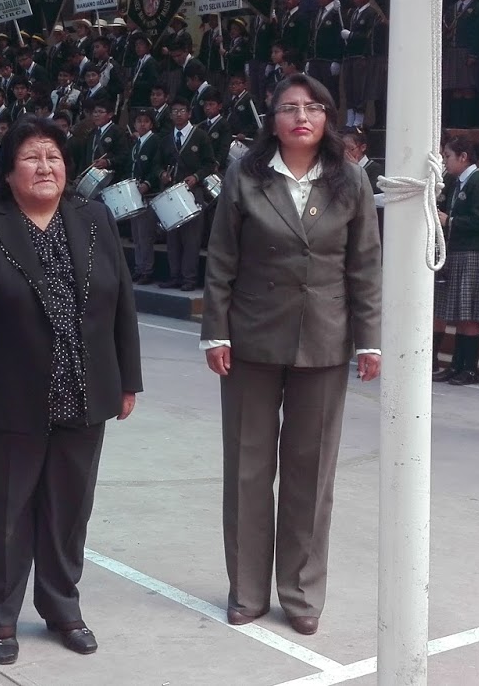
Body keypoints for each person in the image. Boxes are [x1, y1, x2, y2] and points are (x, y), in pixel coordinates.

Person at [0, 116, 143, 666]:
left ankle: (62, 607)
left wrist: (127, 378)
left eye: (53, 156)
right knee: (6, 512)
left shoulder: (95, 218)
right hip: (6, 398)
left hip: (84, 389)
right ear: (8, 172)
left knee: (69, 511)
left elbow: (122, 302)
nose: (44, 167)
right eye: (31, 157)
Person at [200, 73, 382, 636]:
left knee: (312, 472)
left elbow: (364, 264)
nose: (302, 117)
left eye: (313, 107)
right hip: (251, 338)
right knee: (248, 468)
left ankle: (301, 592)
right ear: (272, 118)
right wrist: (216, 332)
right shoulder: (246, 174)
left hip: (325, 339)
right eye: (289, 108)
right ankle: (247, 590)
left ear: (328, 117)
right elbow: (222, 257)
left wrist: (369, 338)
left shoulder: (350, 177)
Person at [433, 134, 479, 385]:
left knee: (468, 314)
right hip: (458, 251)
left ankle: (470, 368)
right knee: (460, 313)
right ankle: (456, 365)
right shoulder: (458, 182)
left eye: (448, 156)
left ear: (463, 157)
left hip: (474, 253)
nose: (445, 161)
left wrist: (450, 221)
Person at [158, 97, 217, 290]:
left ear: (189, 113)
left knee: (191, 237)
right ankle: (174, 276)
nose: (178, 114)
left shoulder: (200, 136)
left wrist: (196, 176)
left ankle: (189, 278)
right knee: (173, 237)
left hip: (192, 191)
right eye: (174, 111)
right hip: (171, 192)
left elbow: (210, 163)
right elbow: (158, 164)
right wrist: (162, 174)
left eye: (181, 110)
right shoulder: (166, 139)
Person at [442, 0, 479, 127]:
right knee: (455, 87)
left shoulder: (477, 7)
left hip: (467, 50)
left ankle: (467, 123)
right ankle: (456, 123)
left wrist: (474, 53)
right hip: (453, 50)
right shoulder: (452, 8)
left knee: (467, 87)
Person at [128, 110, 165, 283]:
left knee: (145, 234)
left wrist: (148, 183)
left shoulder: (155, 141)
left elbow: (156, 165)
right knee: (136, 234)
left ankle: (147, 270)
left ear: (151, 124)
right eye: (138, 121)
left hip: (148, 192)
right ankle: (139, 267)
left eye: (146, 121)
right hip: (134, 192)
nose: (142, 124)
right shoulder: (137, 143)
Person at [338, 0, 382, 128]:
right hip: (349, 55)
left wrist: (351, 35)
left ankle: (359, 118)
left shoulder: (371, 13)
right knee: (349, 88)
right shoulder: (352, 13)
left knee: (360, 88)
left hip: (361, 55)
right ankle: (350, 117)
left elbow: (368, 35)